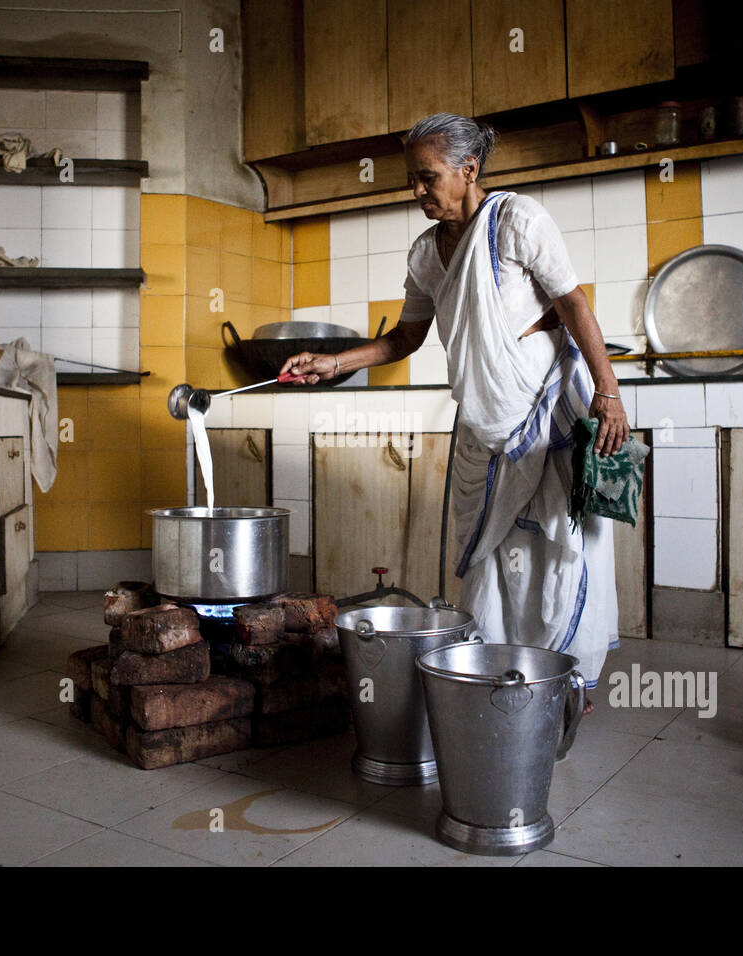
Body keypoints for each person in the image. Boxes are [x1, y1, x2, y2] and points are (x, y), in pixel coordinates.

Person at [280, 112, 630, 713]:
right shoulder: (425, 253)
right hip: (483, 428)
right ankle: (500, 670)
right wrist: (333, 363)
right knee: (495, 560)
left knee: (556, 553)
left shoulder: (518, 220)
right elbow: (404, 340)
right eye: (412, 180)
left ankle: (565, 680)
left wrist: (608, 391)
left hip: (548, 414)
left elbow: (573, 303)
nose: (417, 191)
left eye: (427, 177)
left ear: (469, 170)